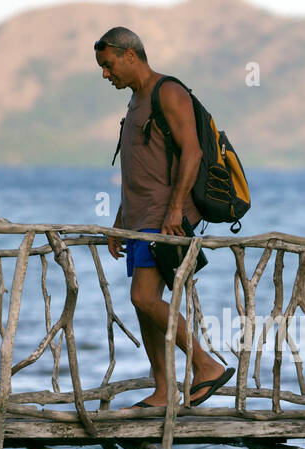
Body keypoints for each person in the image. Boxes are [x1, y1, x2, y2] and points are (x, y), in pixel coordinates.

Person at [95, 26, 233, 408]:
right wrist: (121, 221)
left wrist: (175, 209)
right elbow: (141, 168)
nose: (106, 75)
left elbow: (192, 153)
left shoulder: (167, 92)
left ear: (130, 55)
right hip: (140, 220)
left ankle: (207, 367)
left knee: (142, 297)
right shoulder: (135, 101)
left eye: (108, 66)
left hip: (164, 218)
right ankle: (163, 389)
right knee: (145, 304)